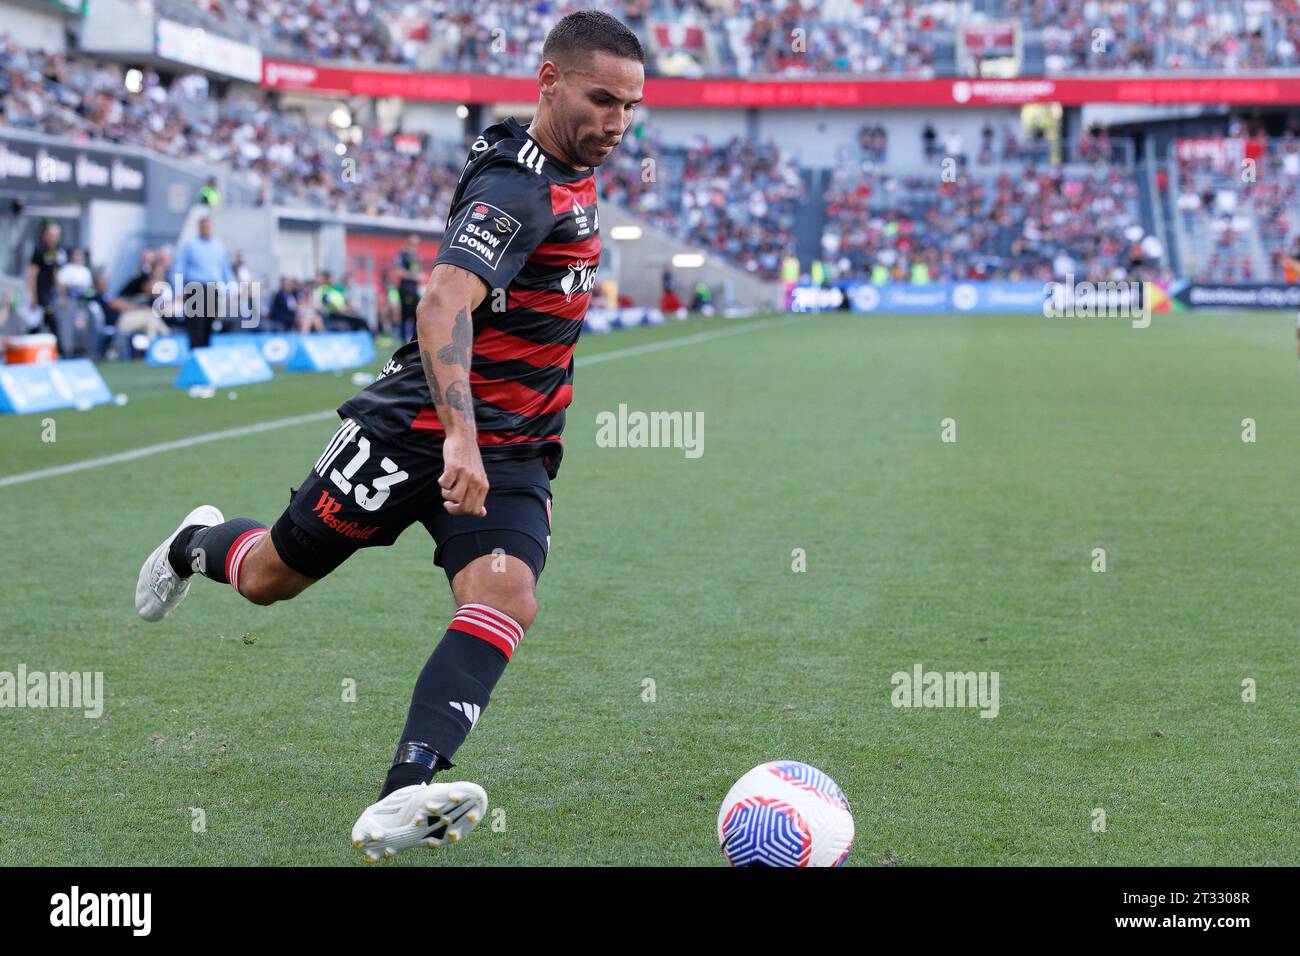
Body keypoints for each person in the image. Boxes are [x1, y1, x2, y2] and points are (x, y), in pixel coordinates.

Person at [133, 10, 644, 863]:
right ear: (550, 81)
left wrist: (488, 441)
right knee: (268, 579)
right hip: (414, 431)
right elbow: (441, 303)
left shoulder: (562, 165)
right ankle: (193, 543)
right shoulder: (518, 190)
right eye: (603, 100)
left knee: (505, 595)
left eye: (630, 106)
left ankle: (404, 790)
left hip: (514, 450)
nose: (618, 123)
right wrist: (459, 439)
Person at [174, 217, 234, 348]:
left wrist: (230, 290)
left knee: (209, 323)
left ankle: (206, 350)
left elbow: (225, 269)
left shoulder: (219, 245)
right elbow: (180, 267)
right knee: (195, 323)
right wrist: (179, 289)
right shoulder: (191, 245)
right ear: (199, 228)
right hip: (195, 288)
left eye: (209, 227)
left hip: (212, 288)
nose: (207, 229)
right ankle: (195, 351)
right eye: (204, 227)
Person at [26, 221, 67, 353]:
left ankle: (31, 345)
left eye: (56, 235)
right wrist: (33, 296)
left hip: (49, 292)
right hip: (40, 292)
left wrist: (62, 294)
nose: (54, 237)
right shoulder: (39, 250)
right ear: (44, 235)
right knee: (51, 317)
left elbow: (55, 273)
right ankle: (61, 350)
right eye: (51, 234)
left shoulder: (56, 251)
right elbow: (32, 274)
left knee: (43, 321)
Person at [395, 234, 423, 342]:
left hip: (414, 288)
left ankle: (414, 338)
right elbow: (399, 272)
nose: (415, 246)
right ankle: (403, 338)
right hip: (406, 288)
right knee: (406, 313)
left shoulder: (416, 256)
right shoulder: (402, 255)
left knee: (416, 312)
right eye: (413, 244)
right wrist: (414, 276)